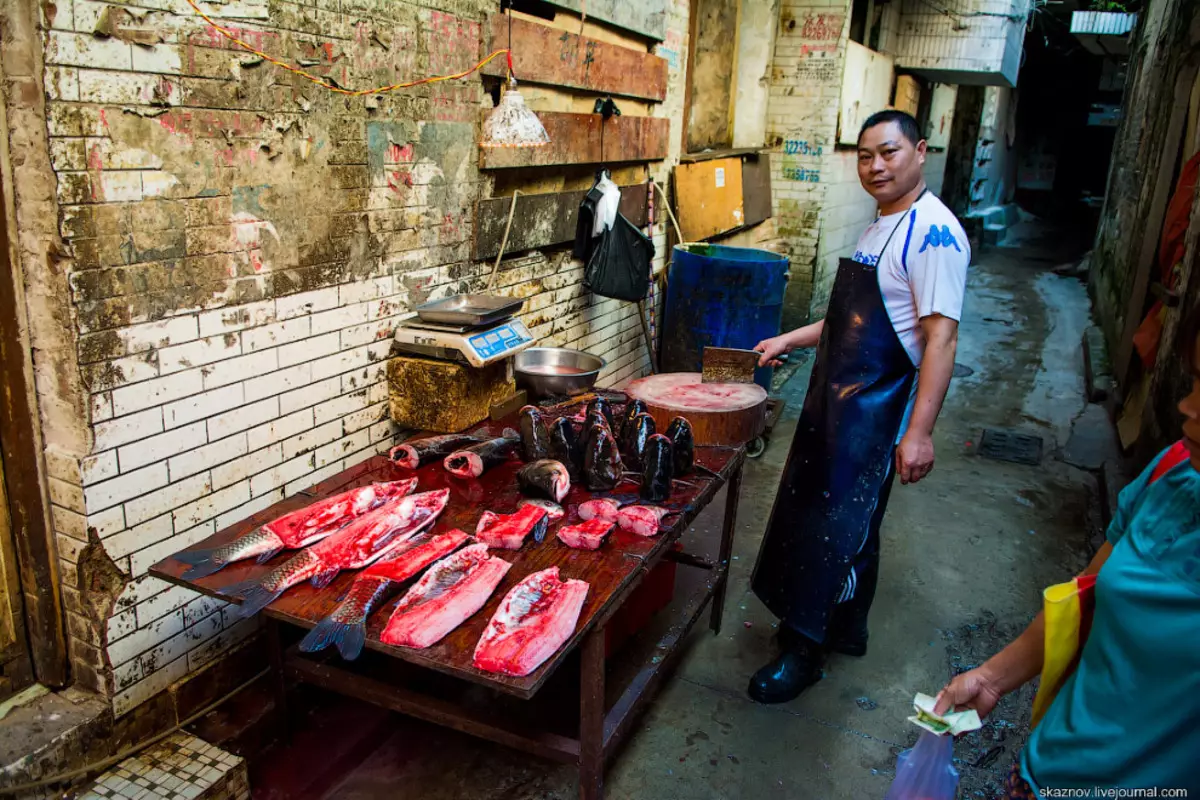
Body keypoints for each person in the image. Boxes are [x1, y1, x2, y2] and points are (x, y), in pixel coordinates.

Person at [747, 110, 970, 704]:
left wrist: (919, 432)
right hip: (835, 405)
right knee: (832, 520)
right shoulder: (882, 225)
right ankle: (844, 628)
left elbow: (940, 338)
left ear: (920, 152)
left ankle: (805, 651)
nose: (876, 166)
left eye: (889, 153)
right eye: (866, 155)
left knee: (837, 530)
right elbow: (856, 317)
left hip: (873, 413)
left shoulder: (934, 235)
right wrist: (789, 339)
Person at [934, 304, 1200, 798]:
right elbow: (1084, 596)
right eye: (1196, 379)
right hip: (1045, 772)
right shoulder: (1174, 471)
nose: (1188, 405)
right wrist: (990, 678)